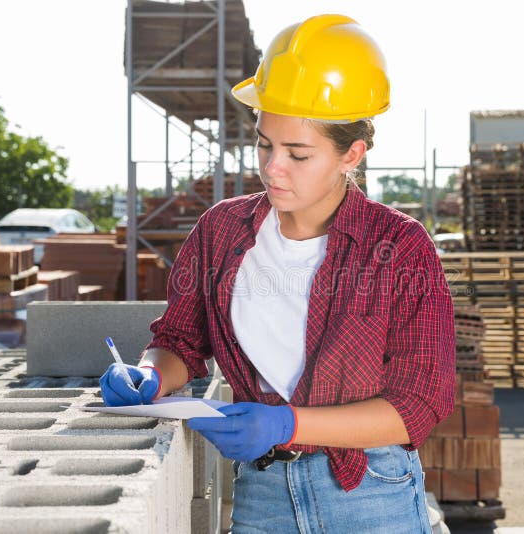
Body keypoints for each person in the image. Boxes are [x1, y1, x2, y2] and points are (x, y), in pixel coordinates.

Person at [100, 14, 455, 533]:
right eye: (266, 143)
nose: (272, 167)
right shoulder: (221, 232)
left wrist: (290, 425)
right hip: (263, 496)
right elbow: (180, 339)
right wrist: (151, 373)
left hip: (368, 494)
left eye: (298, 153)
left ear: (350, 155)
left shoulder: (399, 248)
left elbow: (419, 402)